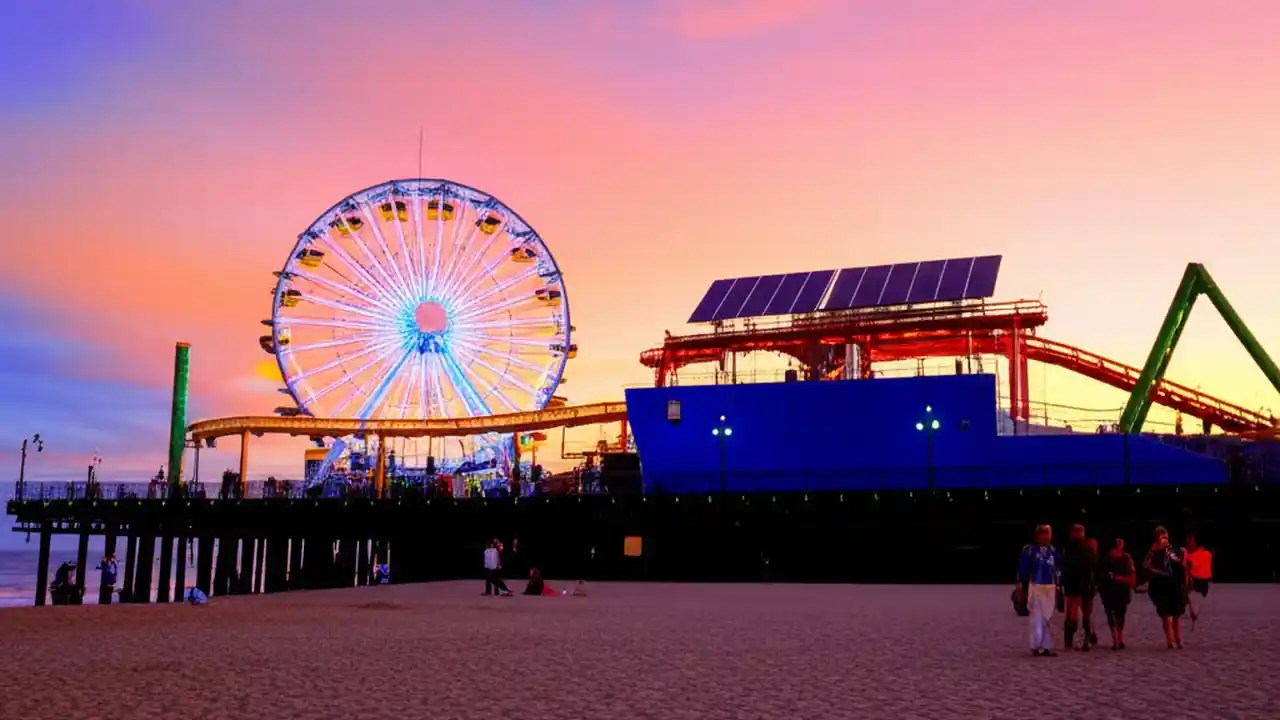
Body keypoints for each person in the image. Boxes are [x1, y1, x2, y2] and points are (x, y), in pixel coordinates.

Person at [1017, 524, 1061, 657]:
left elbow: (1058, 569)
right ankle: (1036, 645)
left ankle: (1047, 645)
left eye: (1046, 533)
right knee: (1036, 617)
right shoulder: (1029, 550)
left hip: (1050, 586)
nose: (1044, 536)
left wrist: (1058, 584)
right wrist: (1021, 584)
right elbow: (1023, 568)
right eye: (1042, 533)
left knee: (1047, 617)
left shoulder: (1053, 550)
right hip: (1035, 585)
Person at [1143, 526, 1190, 649]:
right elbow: (1145, 565)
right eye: (1160, 536)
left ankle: (1178, 638)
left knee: (1176, 615)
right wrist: (1153, 553)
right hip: (1161, 586)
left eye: (1164, 536)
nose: (1163, 539)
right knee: (1165, 615)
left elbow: (1179, 562)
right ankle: (1170, 640)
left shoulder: (1173, 550)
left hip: (1174, 585)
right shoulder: (1153, 551)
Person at [1060, 524, 1098, 651]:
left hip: (1074, 584)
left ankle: (1071, 642)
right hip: (1081, 584)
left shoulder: (1068, 549)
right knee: (1079, 613)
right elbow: (1091, 565)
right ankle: (1083, 639)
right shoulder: (1085, 549)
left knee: (1074, 613)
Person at [1097, 536, 1136, 650]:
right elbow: (1102, 576)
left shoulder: (1126, 558)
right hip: (1109, 590)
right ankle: (1116, 639)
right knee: (1112, 614)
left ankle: (1119, 638)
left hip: (1121, 590)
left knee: (1120, 614)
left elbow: (1132, 574)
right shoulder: (1106, 559)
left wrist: (1121, 579)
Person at [1186, 533, 1213, 626]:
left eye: (1191, 541)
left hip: (1198, 582)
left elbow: (1188, 569)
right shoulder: (1207, 554)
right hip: (1204, 583)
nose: (1189, 543)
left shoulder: (1193, 555)